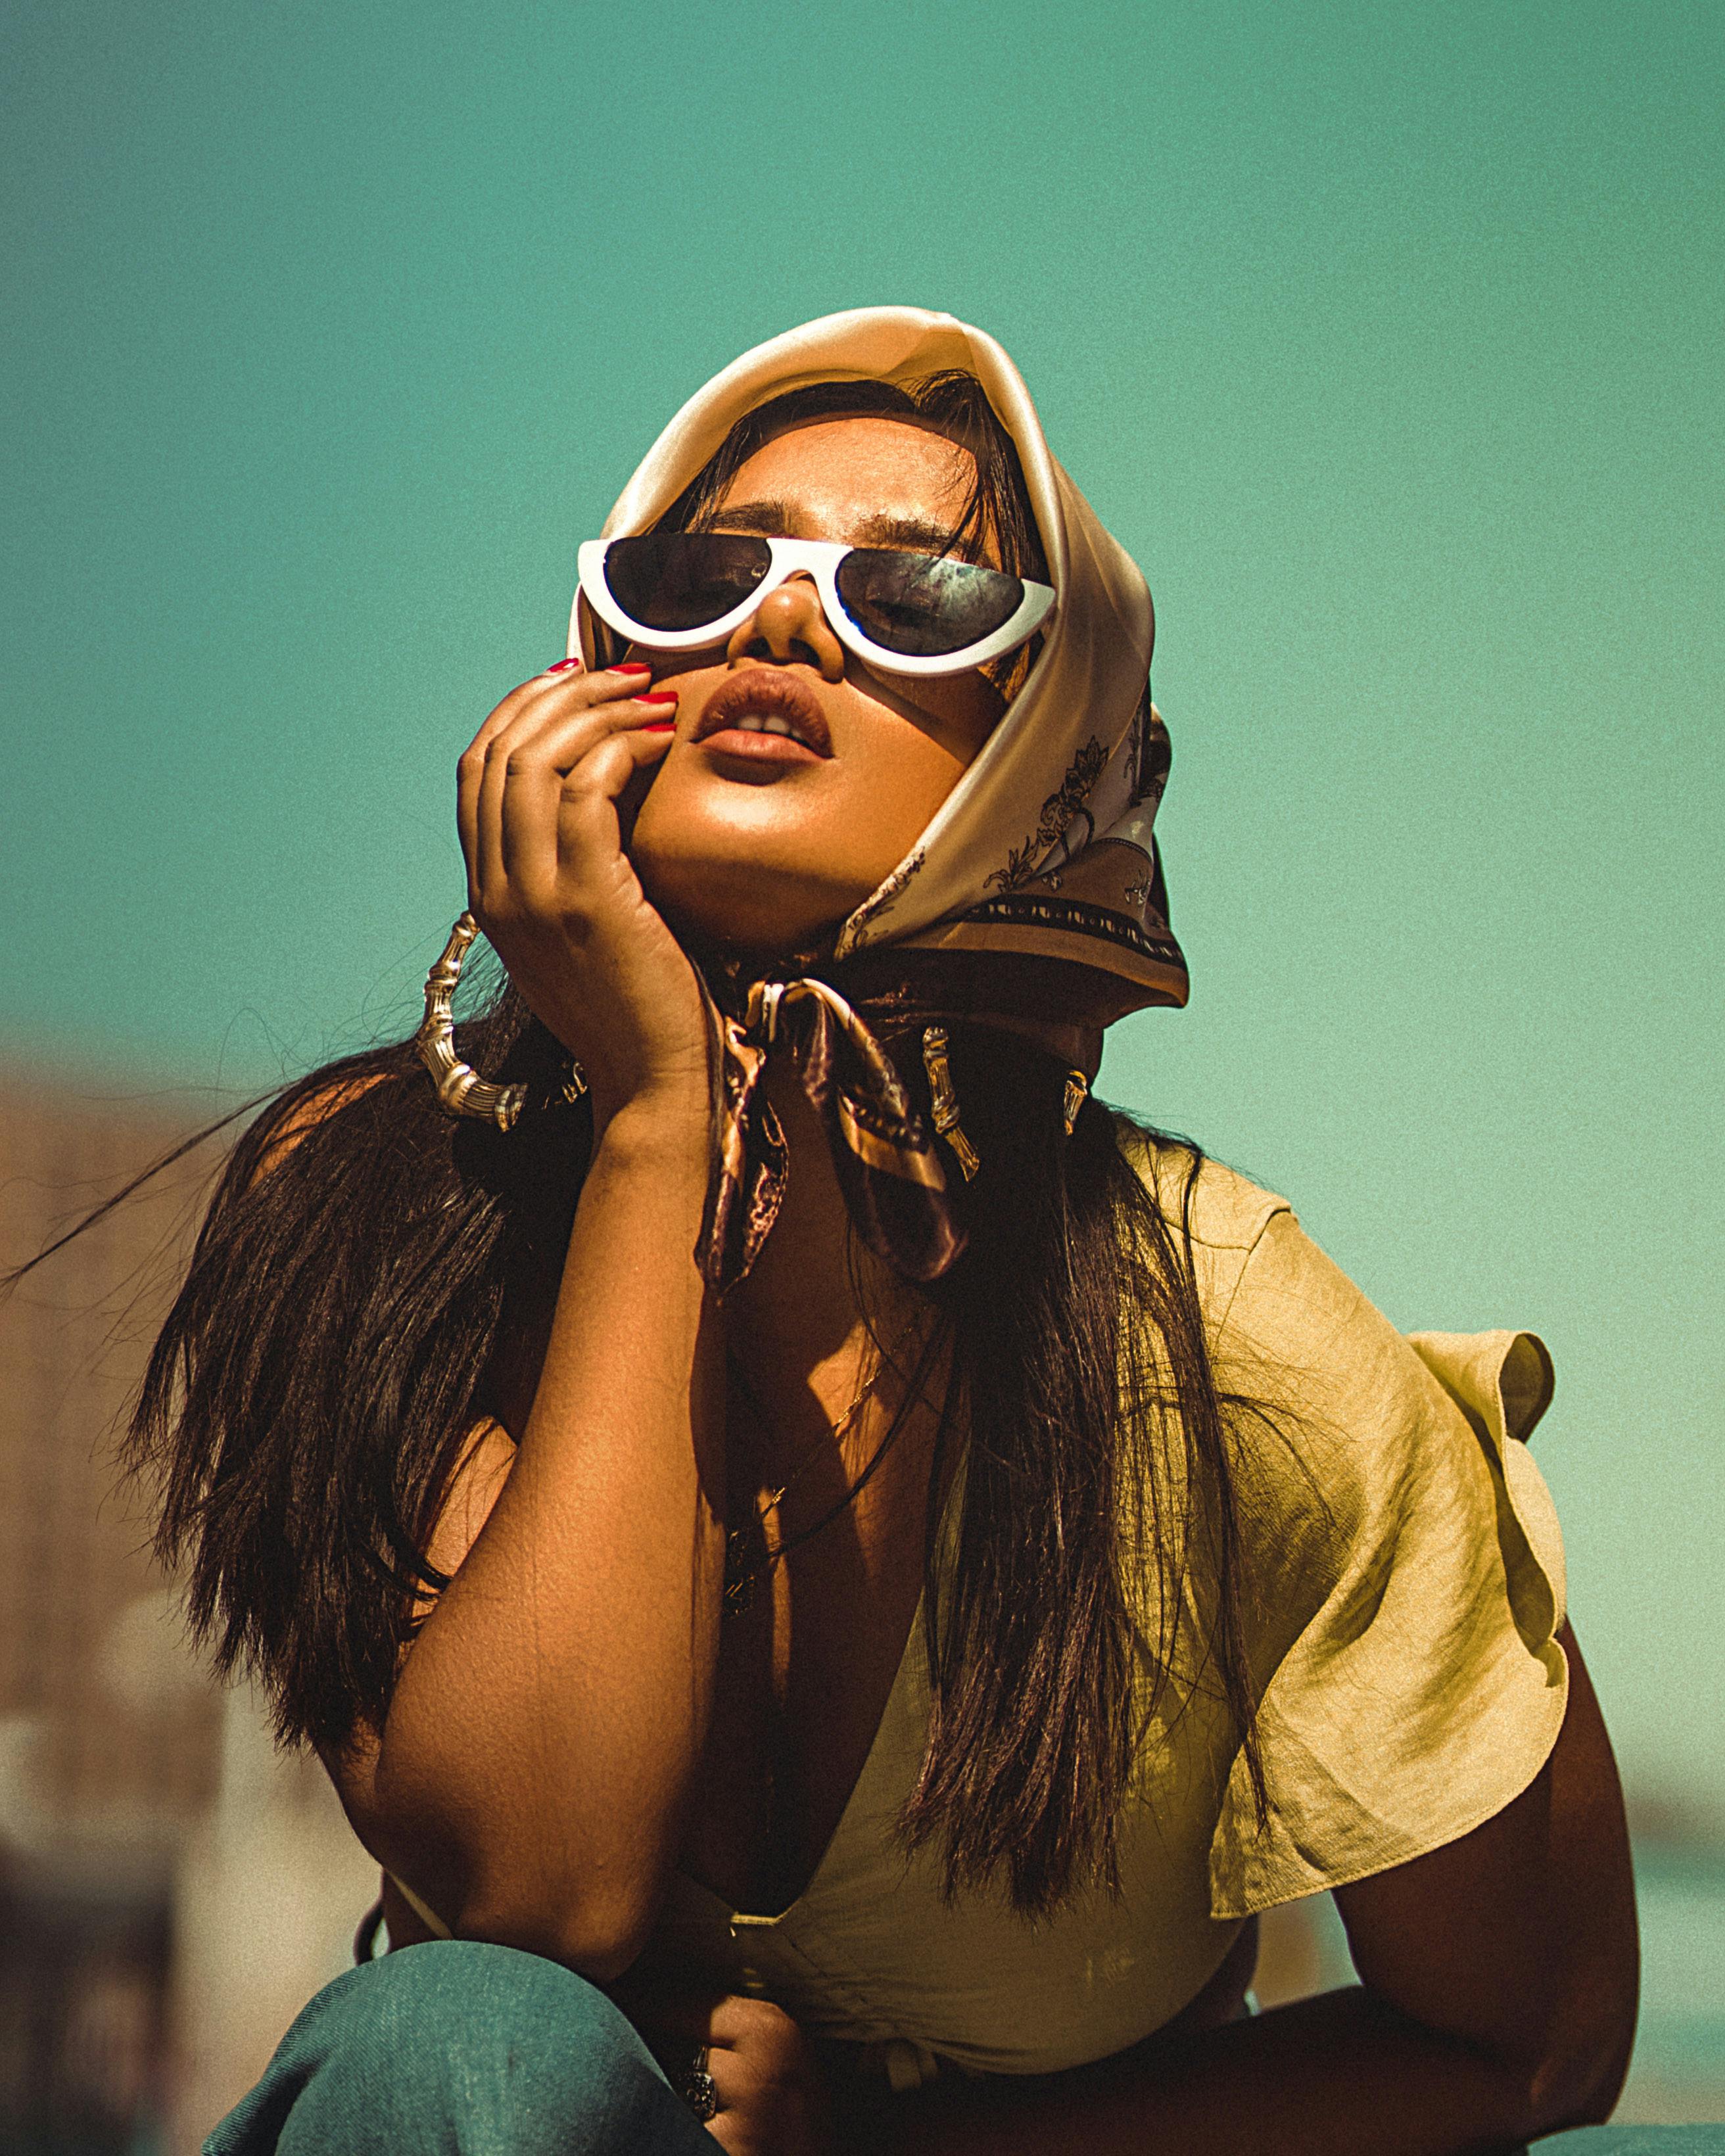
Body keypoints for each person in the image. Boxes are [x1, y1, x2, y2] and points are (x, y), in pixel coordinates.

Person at [134, 309, 1637, 2153]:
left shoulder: (1215, 1334)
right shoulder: (376, 1202)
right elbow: (541, 1897)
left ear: (1050, 746)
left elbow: (1531, 2048)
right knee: (457, 2048)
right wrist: (659, 1120)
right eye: (698, 581)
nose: (776, 626)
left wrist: (899, 2149)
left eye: (912, 599)